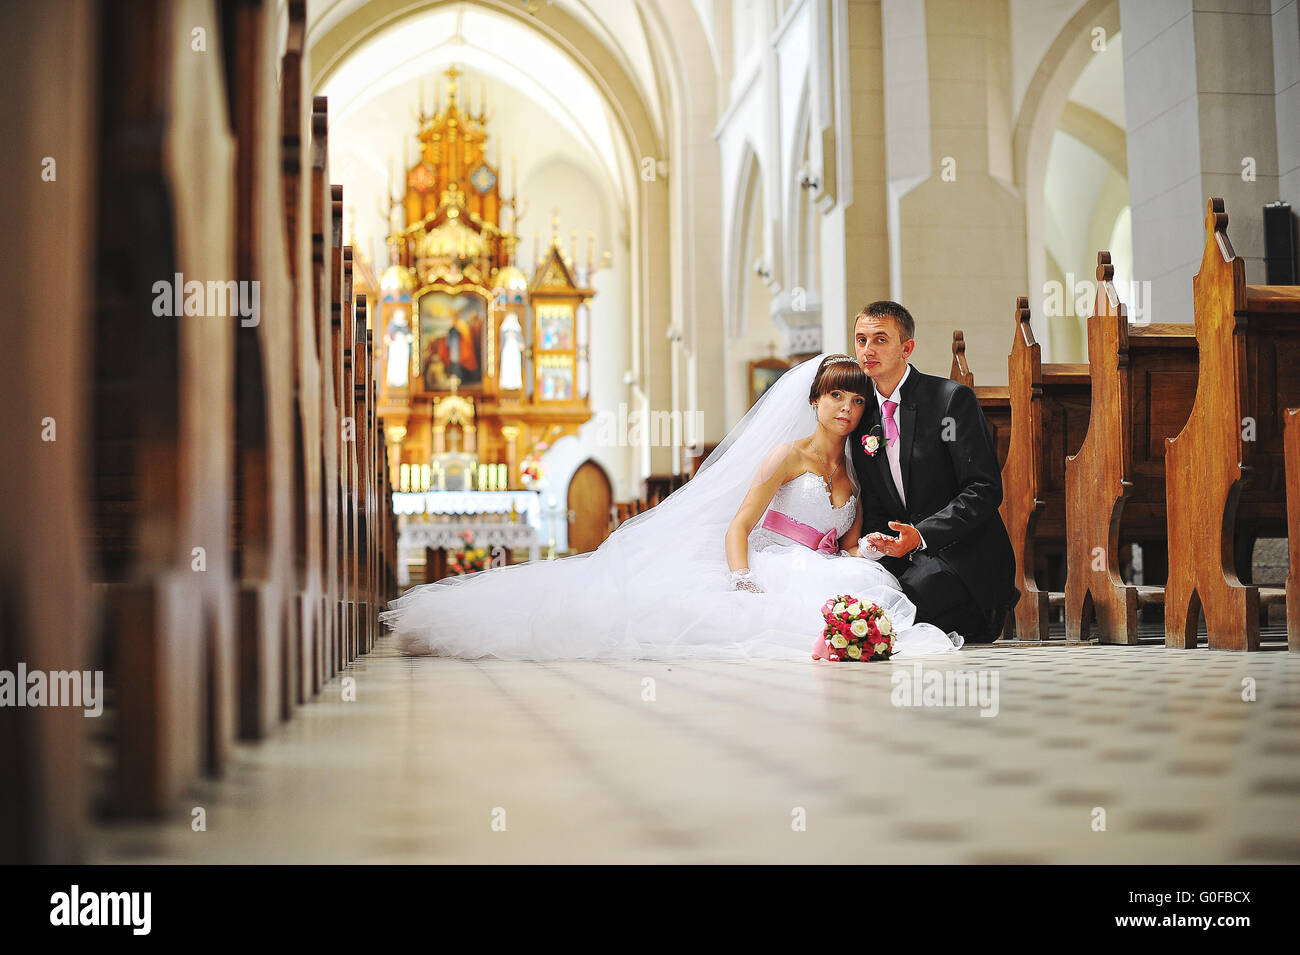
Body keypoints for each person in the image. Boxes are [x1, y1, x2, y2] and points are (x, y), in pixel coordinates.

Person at [379, 353, 963, 660]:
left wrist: (872, 547)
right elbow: (739, 525)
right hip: (764, 561)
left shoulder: (855, 469)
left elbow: (844, 542)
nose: (847, 408)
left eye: (857, 401)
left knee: (860, 603)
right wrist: (742, 581)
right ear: (814, 400)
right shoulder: (787, 456)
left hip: (819, 564)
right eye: (836, 396)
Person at [849, 301, 1018, 642]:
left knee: (890, 615)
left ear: (907, 348)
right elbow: (877, 502)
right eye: (861, 339)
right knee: (855, 600)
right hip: (904, 557)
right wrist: (879, 543)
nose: (868, 350)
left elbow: (982, 489)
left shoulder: (948, 401)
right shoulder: (861, 416)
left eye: (880, 339)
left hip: (962, 555)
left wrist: (921, 535)